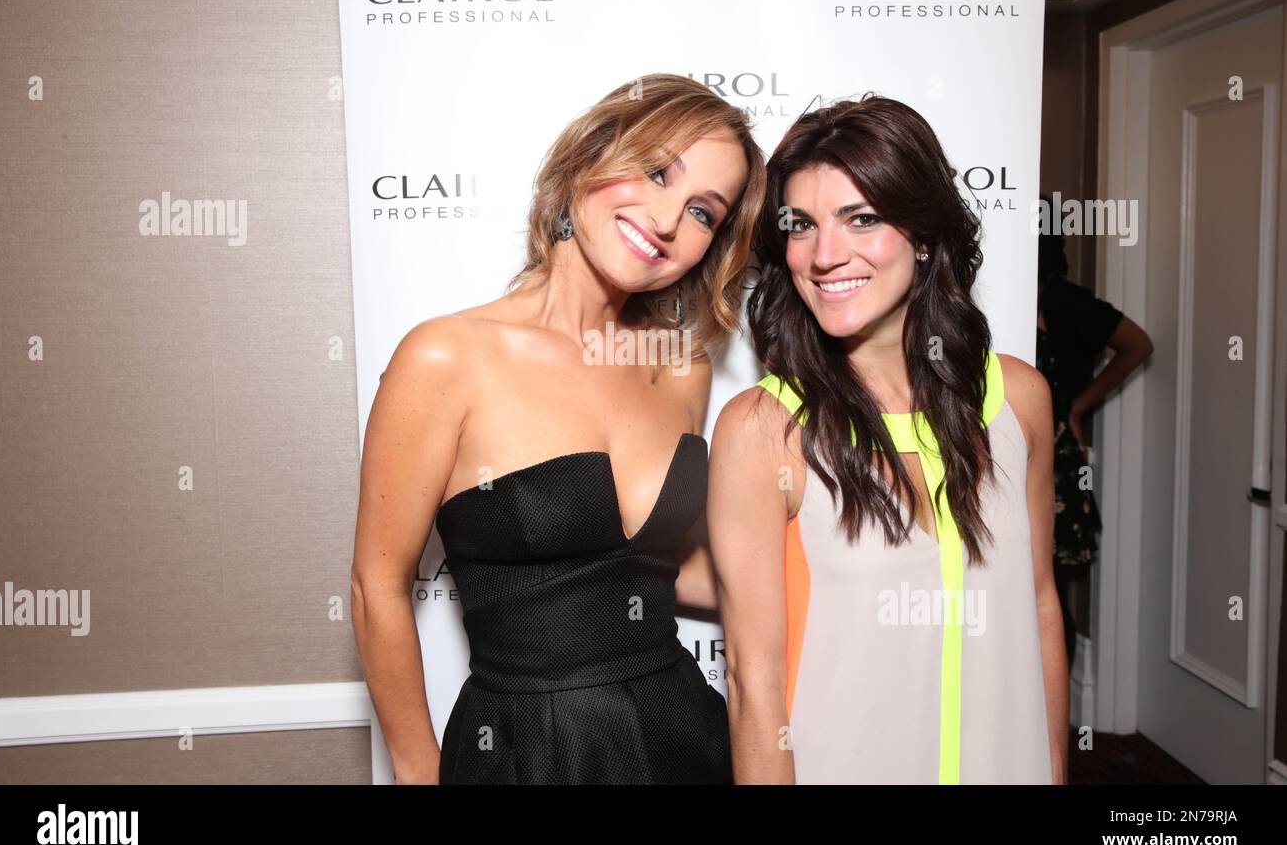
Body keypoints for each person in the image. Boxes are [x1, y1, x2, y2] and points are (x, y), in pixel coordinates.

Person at [350, 73, 766, 784]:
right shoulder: (447, 356)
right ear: (590, 156)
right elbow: (375, 586)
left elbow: (649, 567)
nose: (668, 219)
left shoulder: (680, 367)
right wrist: (420, 774)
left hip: (684, 736)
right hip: (526, 751)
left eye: (703, 211)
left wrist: (825, 584)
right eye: (656, 170)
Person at [709, 95, 1068, 783]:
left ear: (925, 235)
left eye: (862, 219)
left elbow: (1042, 603)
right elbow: (754, 687)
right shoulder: (765, 431)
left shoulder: (1018, 399)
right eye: (802, 226)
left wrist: (1053, 768)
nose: (825, 255)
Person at [1034, 209, 1153, 669]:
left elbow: (1139, 345)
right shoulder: (997, 295)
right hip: (1012, 453)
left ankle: (1051, 726)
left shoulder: (1068, 302)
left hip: (1057, 461)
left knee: (1047, 591)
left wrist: (1080, 406)